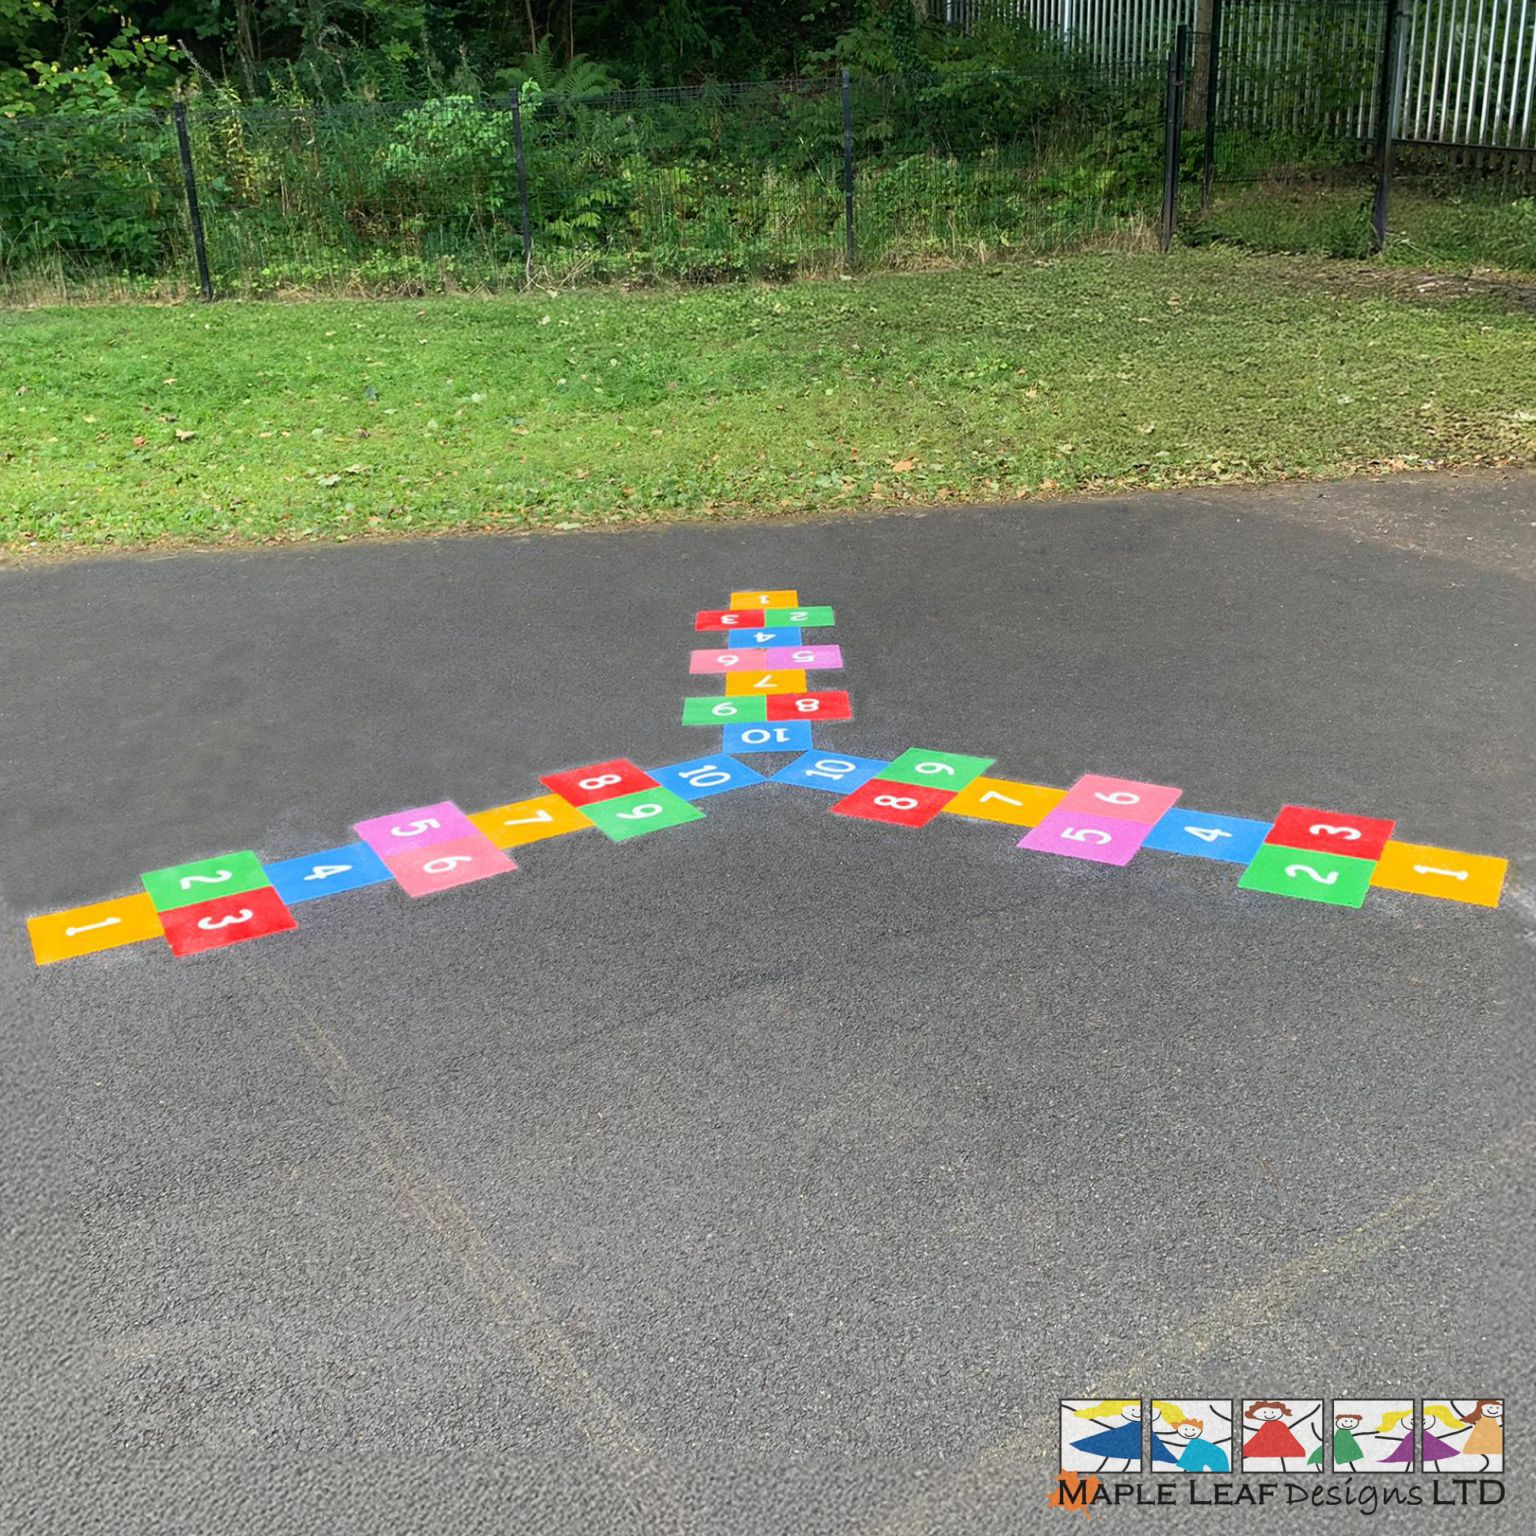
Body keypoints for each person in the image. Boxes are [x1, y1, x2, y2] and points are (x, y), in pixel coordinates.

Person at [1243, 1401, 1307, 1465]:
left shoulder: (1280, 1425)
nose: (1269, 1415)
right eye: (1264, 1412)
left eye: (1272, 1412)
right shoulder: (1267, 1425)